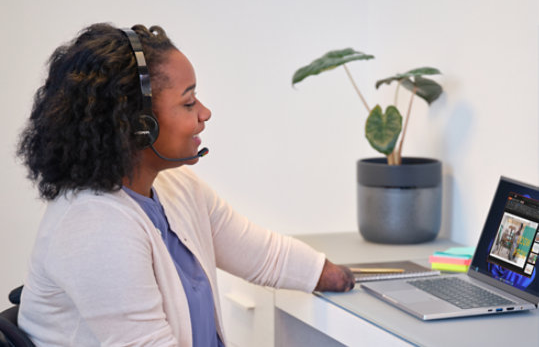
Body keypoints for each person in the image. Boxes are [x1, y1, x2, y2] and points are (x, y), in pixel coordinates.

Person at [16, 23, 354, 346]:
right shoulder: (94, 226)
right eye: (188, 102)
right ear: (137, 124)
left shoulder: (177, 187)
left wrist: (349, 278)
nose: (205, 113)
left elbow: (264, 256)